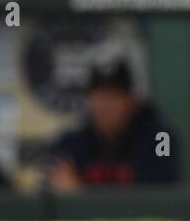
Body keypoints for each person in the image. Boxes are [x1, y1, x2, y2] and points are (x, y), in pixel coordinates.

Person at [44, 57, 178, 189]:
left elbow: (159, 197)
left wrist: (80, 196)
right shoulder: (70, 145)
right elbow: (46, 190)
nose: (106, 106)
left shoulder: (162, 140)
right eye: (99, 96)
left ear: (131, 100)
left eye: (114, 96)